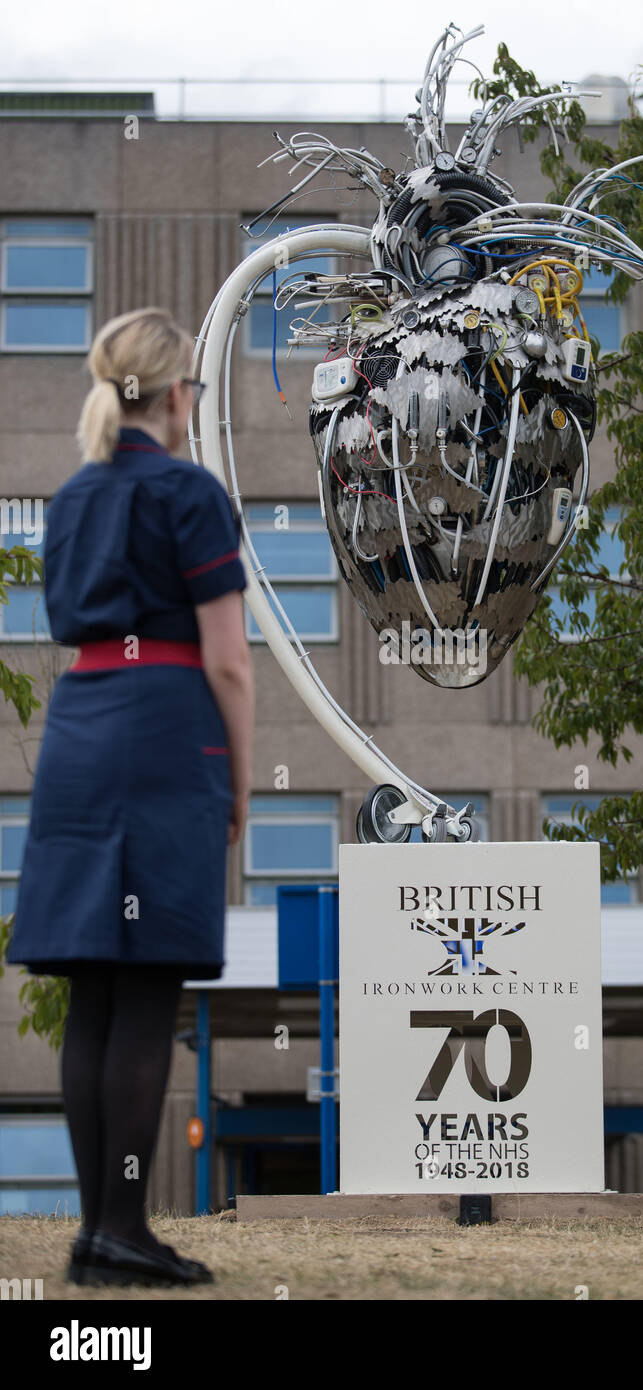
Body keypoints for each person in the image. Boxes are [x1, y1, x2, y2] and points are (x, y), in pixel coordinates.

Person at [5, 306, 255, 1288]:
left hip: (81, 727)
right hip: (163, 731)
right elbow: (230, 662)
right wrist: (236, 780)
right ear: (176, 392)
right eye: (191, 383)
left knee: (90, 990)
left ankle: (98, 1230)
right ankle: (121, 1231)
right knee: (147, 985)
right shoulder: (191, 493)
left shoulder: (70, 498)